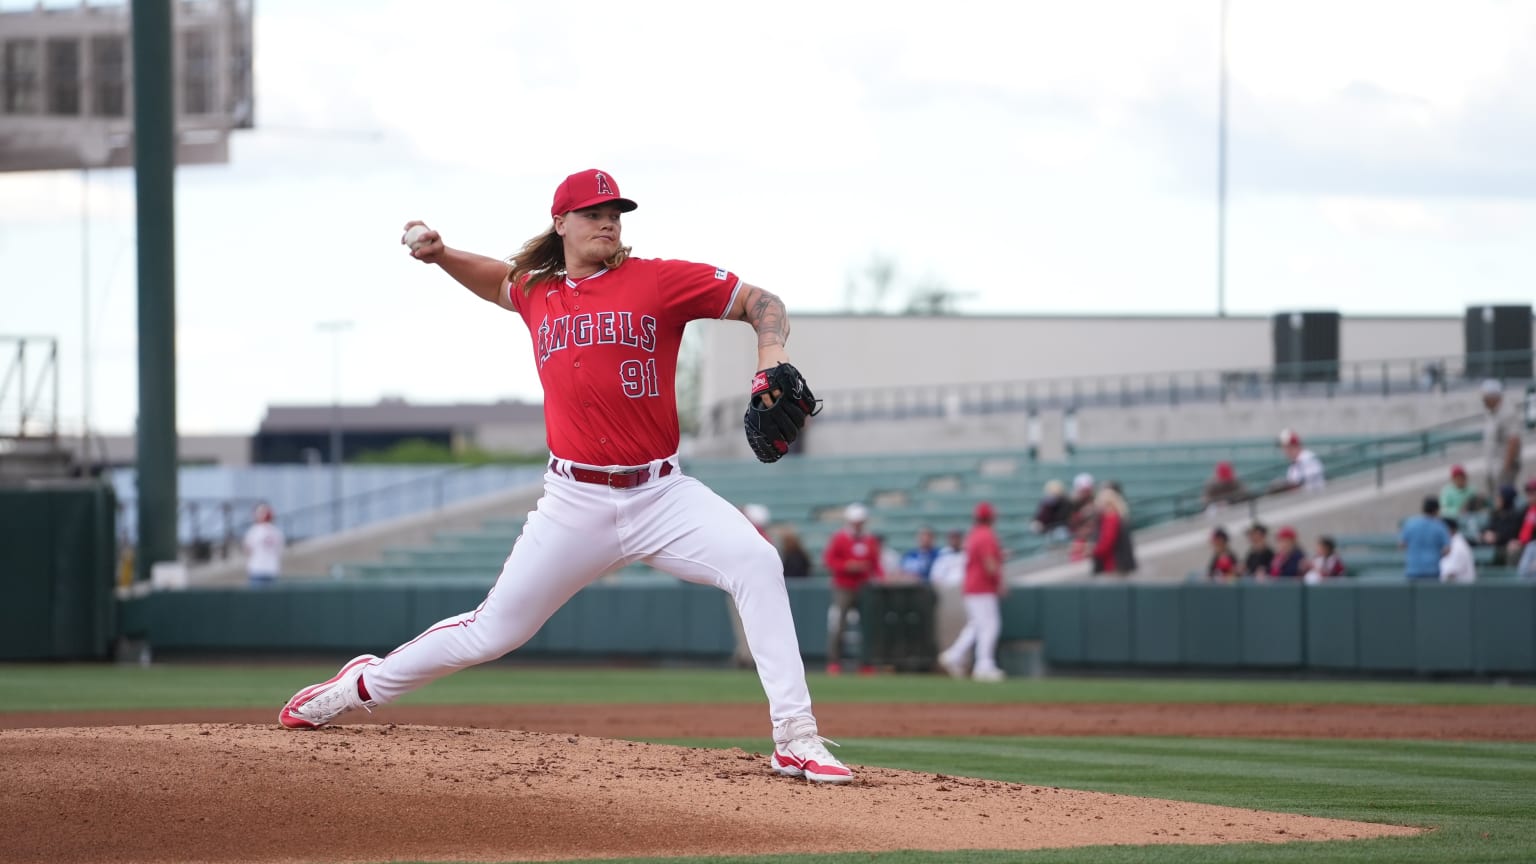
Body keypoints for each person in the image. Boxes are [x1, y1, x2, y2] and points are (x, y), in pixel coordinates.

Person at [276, 169, 852, 785]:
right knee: (492, 633)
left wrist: (771, 355)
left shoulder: (657, 280)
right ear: (561, 223)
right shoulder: (538, 291)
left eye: (615, 213)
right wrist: (442, 256)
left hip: (662, 493)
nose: (608, 222)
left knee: (757, 563)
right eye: (593, 213)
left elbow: (762, 301)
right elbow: (496, 279)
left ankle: (796, 736)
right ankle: (359, 685)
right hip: (574, 501)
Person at [938, 502, 1007, 682]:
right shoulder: (986, 535)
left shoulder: (974, 534)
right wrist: (999, 583)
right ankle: (984, 665)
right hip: (982, 587)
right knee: (990, 625)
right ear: (991, 517)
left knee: (977, 625)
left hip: (971, 587)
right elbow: (989, 563)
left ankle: (953, 655)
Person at [822, 502, 882, 675]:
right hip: (844, 586)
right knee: (839, 625)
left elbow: (875, 563)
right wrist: (847, 566)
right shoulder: (839, 538)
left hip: (864, 586)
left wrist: (879, 577)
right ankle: (834, 661)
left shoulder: (869, 540)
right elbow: (829, 561)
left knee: (867, 625)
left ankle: (866, 662)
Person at [727, 504, 774, 670]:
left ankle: (747, 656)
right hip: (753, 586)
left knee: (745, 624)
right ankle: (747, 656)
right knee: (754, 624)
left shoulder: (746, 534)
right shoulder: (761, 536)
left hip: (743, 585)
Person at [1479, 379, 1523, 501]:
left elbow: (1513, 440)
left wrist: (1506, 467)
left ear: (1494, 397)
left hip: (1503, 466)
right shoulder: (1491, 413)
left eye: (1486, 397)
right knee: (1494, 499)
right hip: (1492, 466)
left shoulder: (1508, 413)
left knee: (1504, 499)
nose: (1483, 400)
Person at [1400, 496, 1451, 581]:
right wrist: (1436, 554)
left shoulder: (1410, 524)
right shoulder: (1440, 526)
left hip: (1413, 569)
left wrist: (1414, 552)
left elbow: (1402, 545)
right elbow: (1447, 549)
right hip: (1432, 570)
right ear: (1437, 510)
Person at [1090, 483, 1137, 577]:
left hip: (1112, 565)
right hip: (1118, 565)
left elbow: (1107, 542)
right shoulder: (1118, 516)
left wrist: (1091, 551)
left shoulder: (1110, 518)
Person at [242, 504, 285, 588]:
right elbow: (280, 550)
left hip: (257, 568)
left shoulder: (254, 530)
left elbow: (247, 549)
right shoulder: (277, 531)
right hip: (272, 569)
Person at [1271, 429, 1326, 494]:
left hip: (1316, 496)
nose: (1284, 451)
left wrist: (1288, 486)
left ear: (1292, 446)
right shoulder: (1293, 464)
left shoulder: (1308, 457)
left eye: (1285, 447)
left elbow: (1309, 483)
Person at [1481, 485, 1524, 566]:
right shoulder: (1495, 513)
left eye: (1499, 497)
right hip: (1492, 545)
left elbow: (1512, 533)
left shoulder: (1516, 514)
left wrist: (1496, 537)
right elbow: (1487, 528)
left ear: (1506, 499)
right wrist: (1485, 534)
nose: (1497, 499)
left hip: (1505, 547)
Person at [1066, 472, 1097, 562]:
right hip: (1078, 536)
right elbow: (1071, 521)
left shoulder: (1096, 501)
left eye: (1087, 490)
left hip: (1093, 535)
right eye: (1083, 490)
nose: (1085, 493)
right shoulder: (1072, 503)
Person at [1439, 518, 1477, 583]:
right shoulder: (1453, 543)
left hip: (1461, 587)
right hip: (1456, 586)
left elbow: (1450, 575)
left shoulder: (1457, 546)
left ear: (1450, 530)